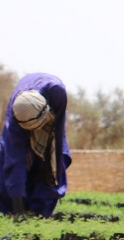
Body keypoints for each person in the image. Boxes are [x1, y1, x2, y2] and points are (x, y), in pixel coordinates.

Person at [0, 73, 71, 219]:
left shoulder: (57, 93)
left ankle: (39, 211)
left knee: (50, 165)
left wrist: (53, 172)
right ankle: (15, 208)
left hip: (48, 109)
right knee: (6, 158)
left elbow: (56, 140)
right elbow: (15, 158)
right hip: (25, 108)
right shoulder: (17, 116)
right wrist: (18, 205)